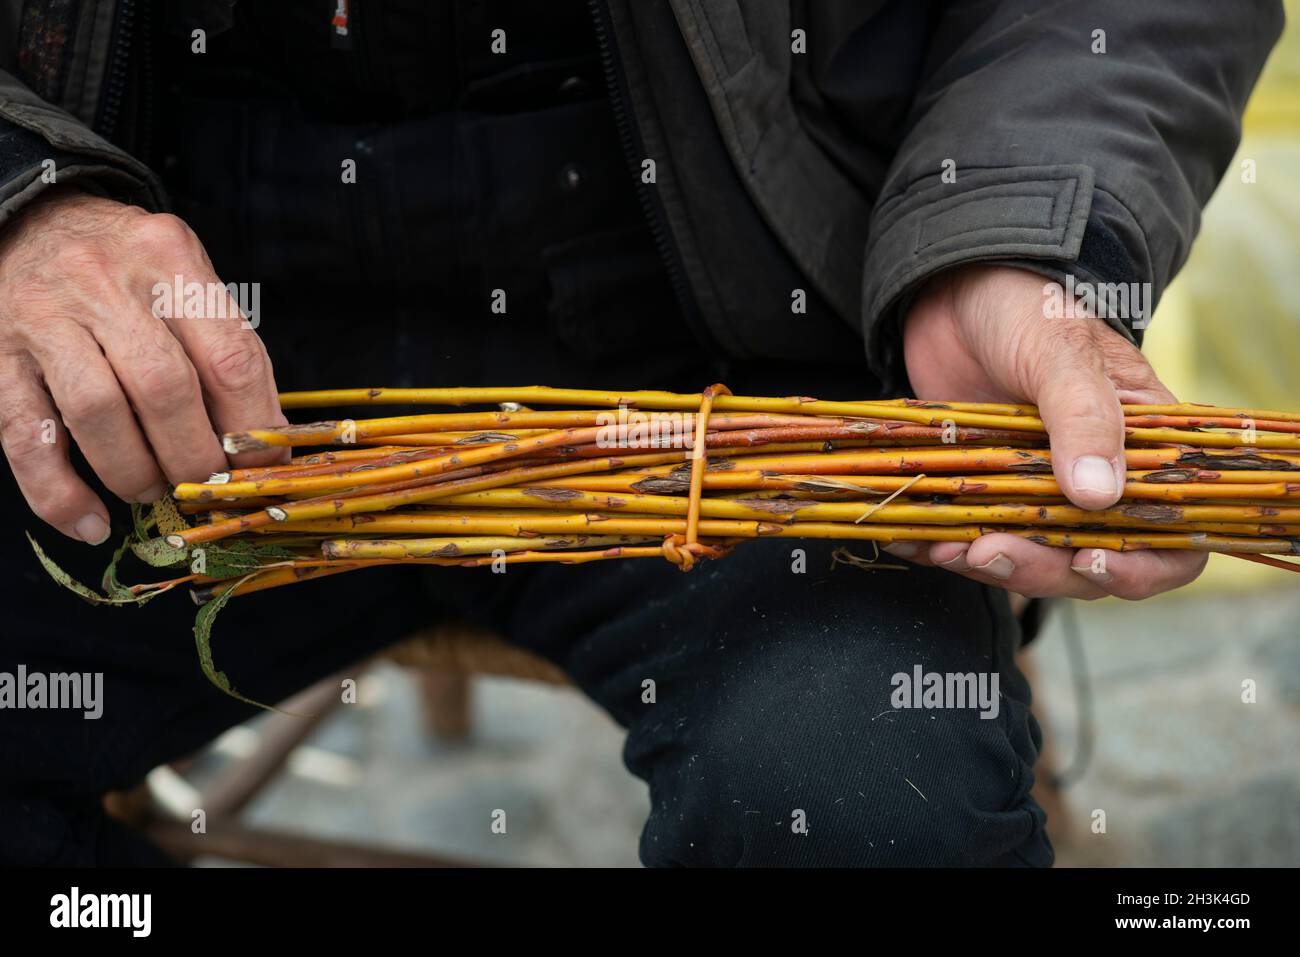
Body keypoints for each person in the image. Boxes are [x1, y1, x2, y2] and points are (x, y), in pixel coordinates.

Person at [0, 1, 1281, 866]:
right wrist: (22, 192)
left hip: (745, 390)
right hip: (139, 388)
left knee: (861, 809)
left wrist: (1001, 241)